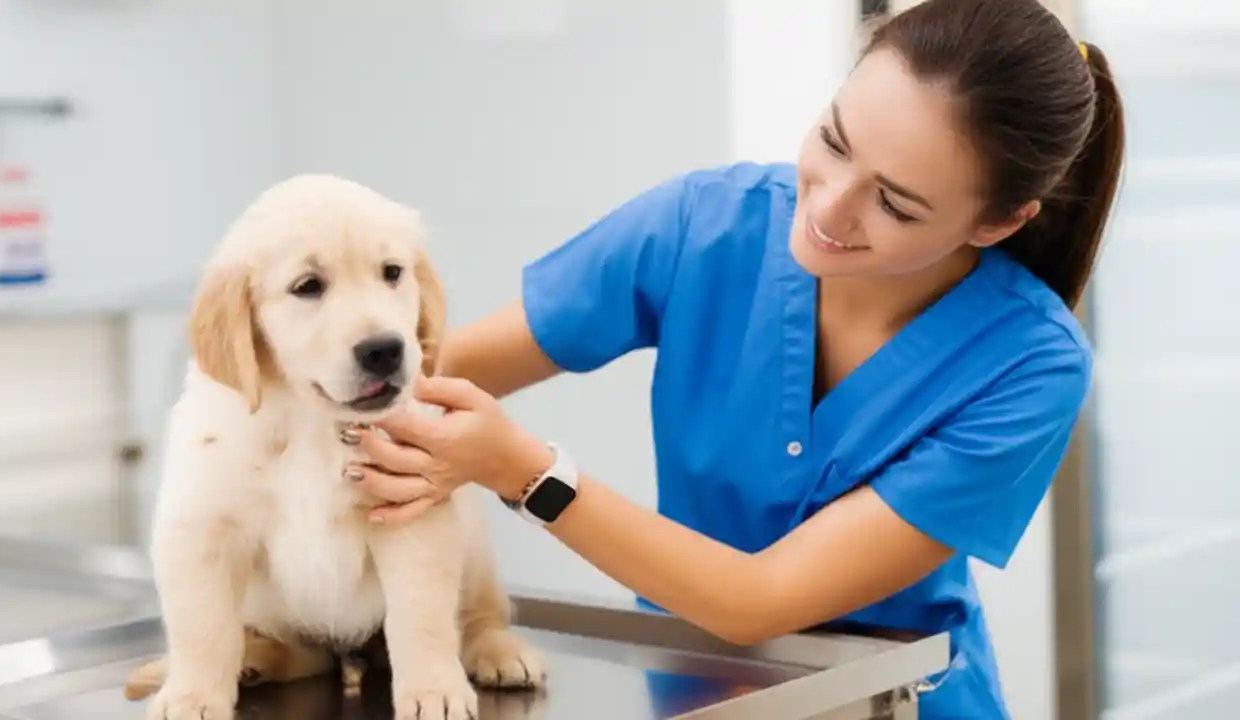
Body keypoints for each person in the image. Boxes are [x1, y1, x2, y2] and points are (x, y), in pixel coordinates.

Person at [343, 0, 1125, 716]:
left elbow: (761, 599)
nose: (827, 208)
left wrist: (523, 470)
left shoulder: (1029, 366)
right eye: (833, 141)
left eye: (893, 203)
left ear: (996, 222)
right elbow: (427, 379)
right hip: (705, 697)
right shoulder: (705, 225)